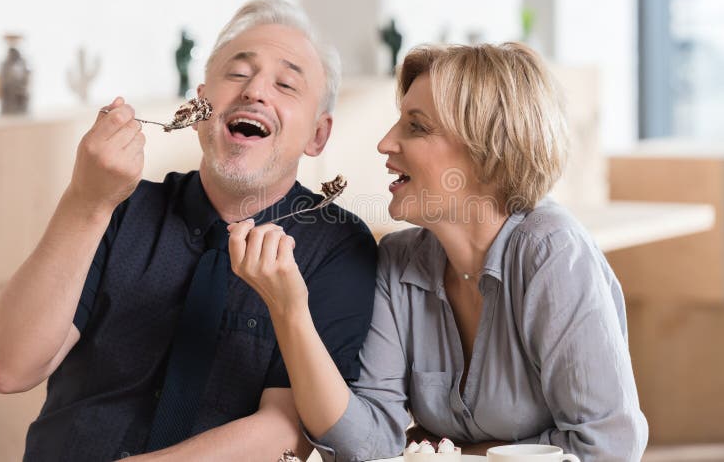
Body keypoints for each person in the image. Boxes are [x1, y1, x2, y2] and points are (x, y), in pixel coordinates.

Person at [0, 0, 377, 461]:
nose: (255, 90)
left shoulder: (336, 245)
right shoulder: (117, 207)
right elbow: (9, 368)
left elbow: (287, 426)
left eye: (286, 83)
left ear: (319, 135)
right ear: (197, 107)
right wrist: (85, 202)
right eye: (238, 73)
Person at [230, 42, 649, 462]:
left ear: (488, 150)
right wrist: (290, 312)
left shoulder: (551, 254)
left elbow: (608, 448)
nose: (386, 143)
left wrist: (461, 453)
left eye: (416, 126)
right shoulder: (397, 261)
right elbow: (369, 446)